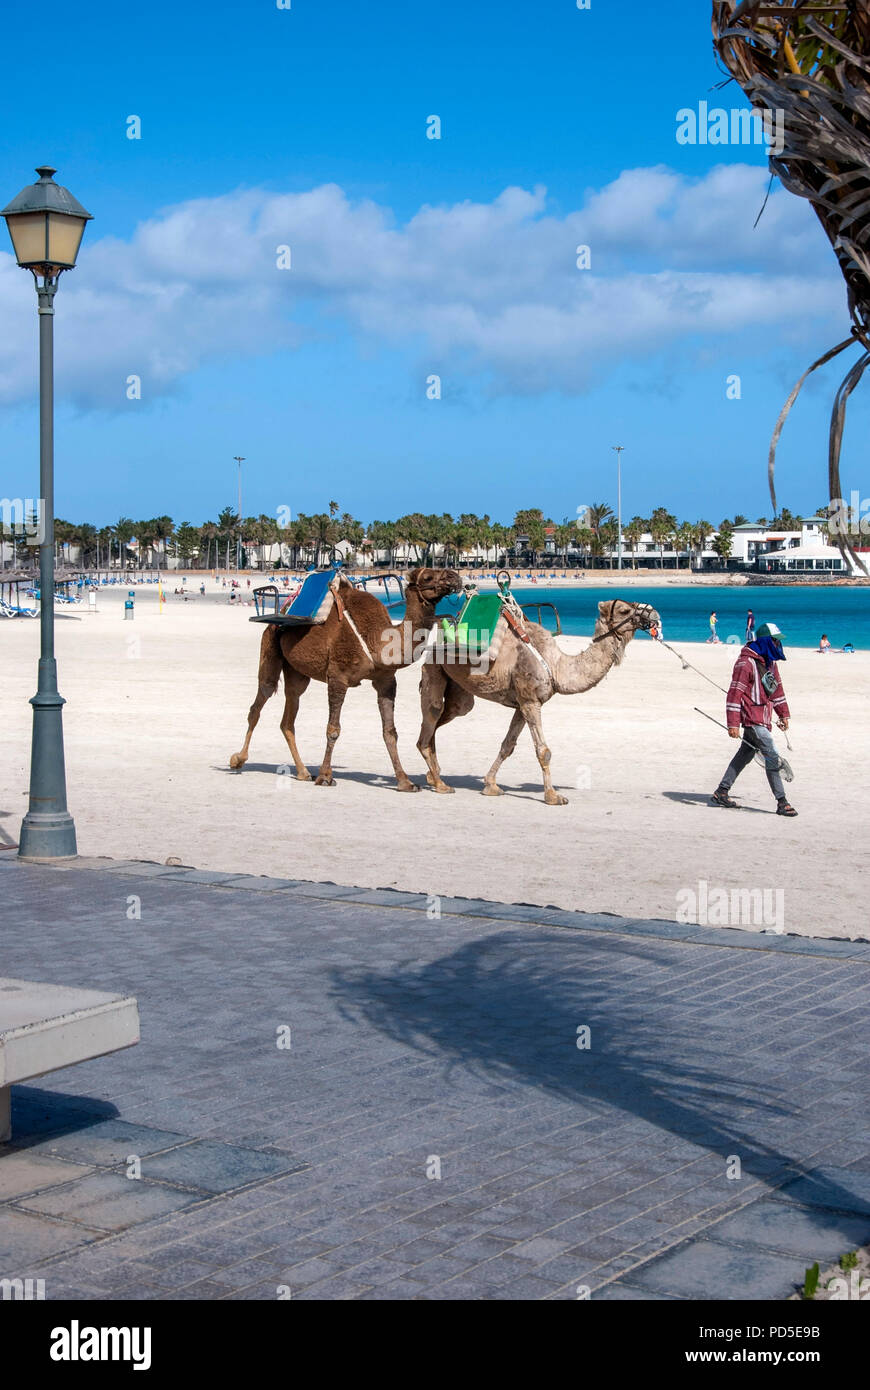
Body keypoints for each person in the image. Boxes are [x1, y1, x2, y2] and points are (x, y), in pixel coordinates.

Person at [711, 621, 797, 817]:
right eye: (775, 641)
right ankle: (782, 802)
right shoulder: (745, 662)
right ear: (767, 640)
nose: (778, 645)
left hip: (764, 719)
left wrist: (783, 714)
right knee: (771, 757)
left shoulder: (770, 662)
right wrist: (733, 724)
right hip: (752, 719)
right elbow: (734, 693)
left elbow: (777, 690)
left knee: (745, 755)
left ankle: (721, 791)